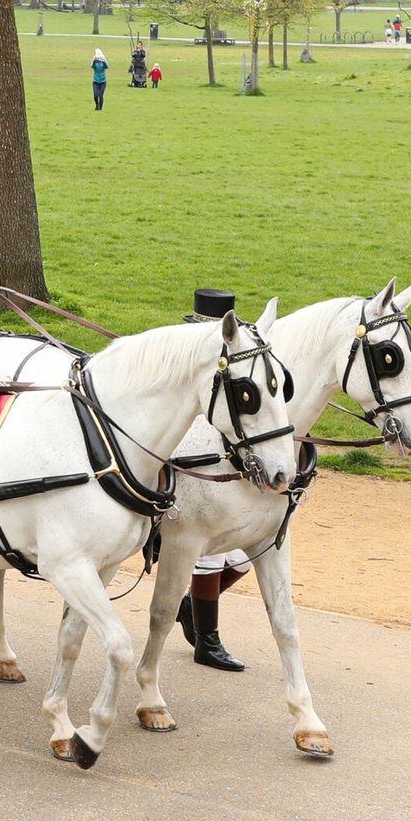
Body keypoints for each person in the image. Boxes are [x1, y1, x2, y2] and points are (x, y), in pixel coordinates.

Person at [174, 288, 251, 672]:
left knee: (245, 555)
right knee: (212, 552)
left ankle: (190, 605)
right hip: (183, 460)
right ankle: (208, 639)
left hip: (221, 452)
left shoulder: (234, 358)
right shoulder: (181, 355)